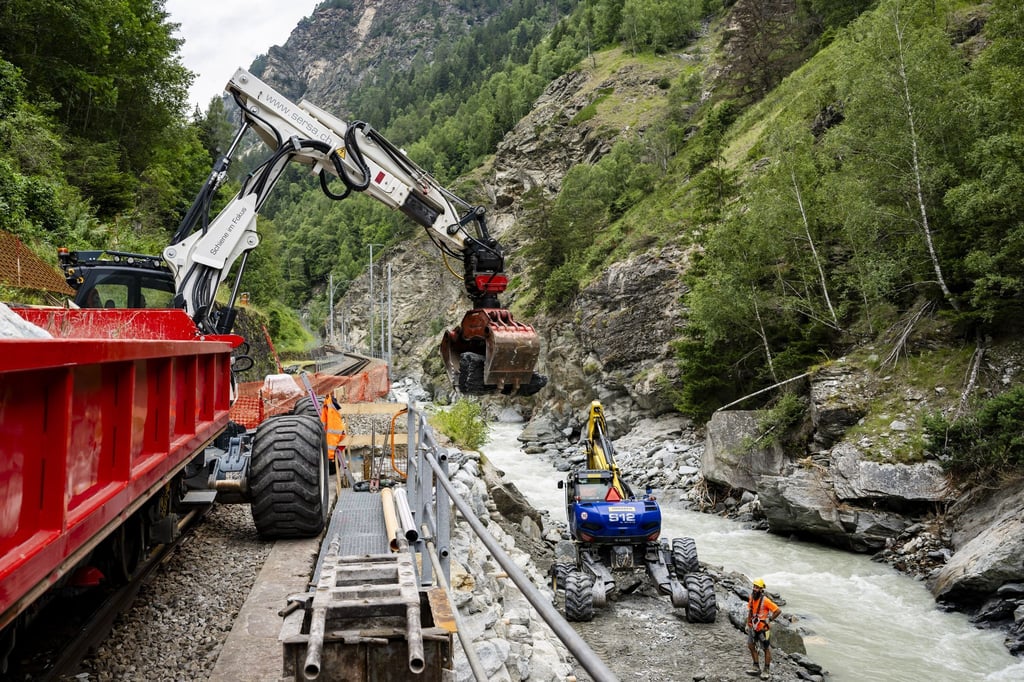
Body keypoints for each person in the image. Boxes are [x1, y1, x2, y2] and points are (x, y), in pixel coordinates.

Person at [746, 578, 781, 679]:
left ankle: (766, 669)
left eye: (757, 587)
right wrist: (748, 624)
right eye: (754, 587)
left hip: (763, 629)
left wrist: (770, 619)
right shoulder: (752, 598)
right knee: (751, 645)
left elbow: (778, 611)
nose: (754, 589)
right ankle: (756, 666)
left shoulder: (765, 601)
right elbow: (750, 611)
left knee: (765, 648)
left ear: (761, 589)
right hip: (753, 626)